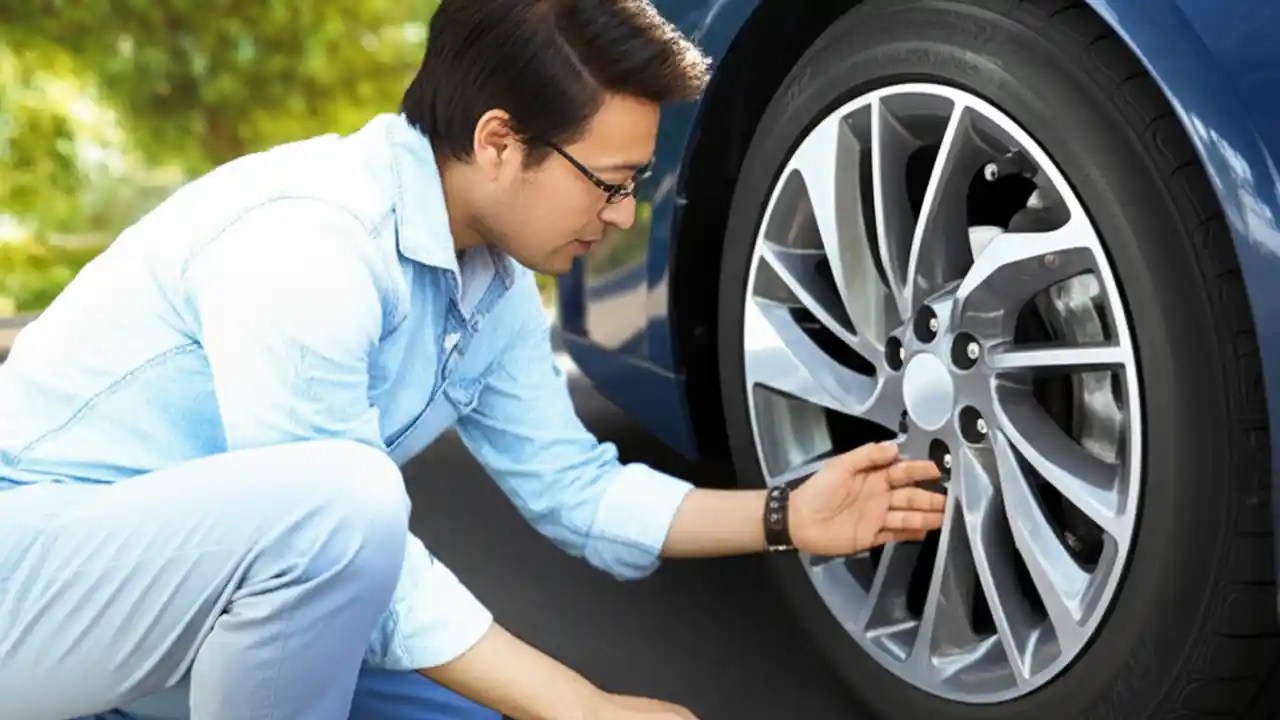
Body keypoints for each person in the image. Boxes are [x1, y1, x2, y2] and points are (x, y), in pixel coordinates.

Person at [0, 1, 947, 718]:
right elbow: (335, 541)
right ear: (499, 142)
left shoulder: (485, 284)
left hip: (204, 600)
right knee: (348, 506)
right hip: (34, 585)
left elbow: (572, 489)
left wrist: (787, 515)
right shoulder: (311, 247)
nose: (622, 217)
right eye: (609, 184)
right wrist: (582, 703)